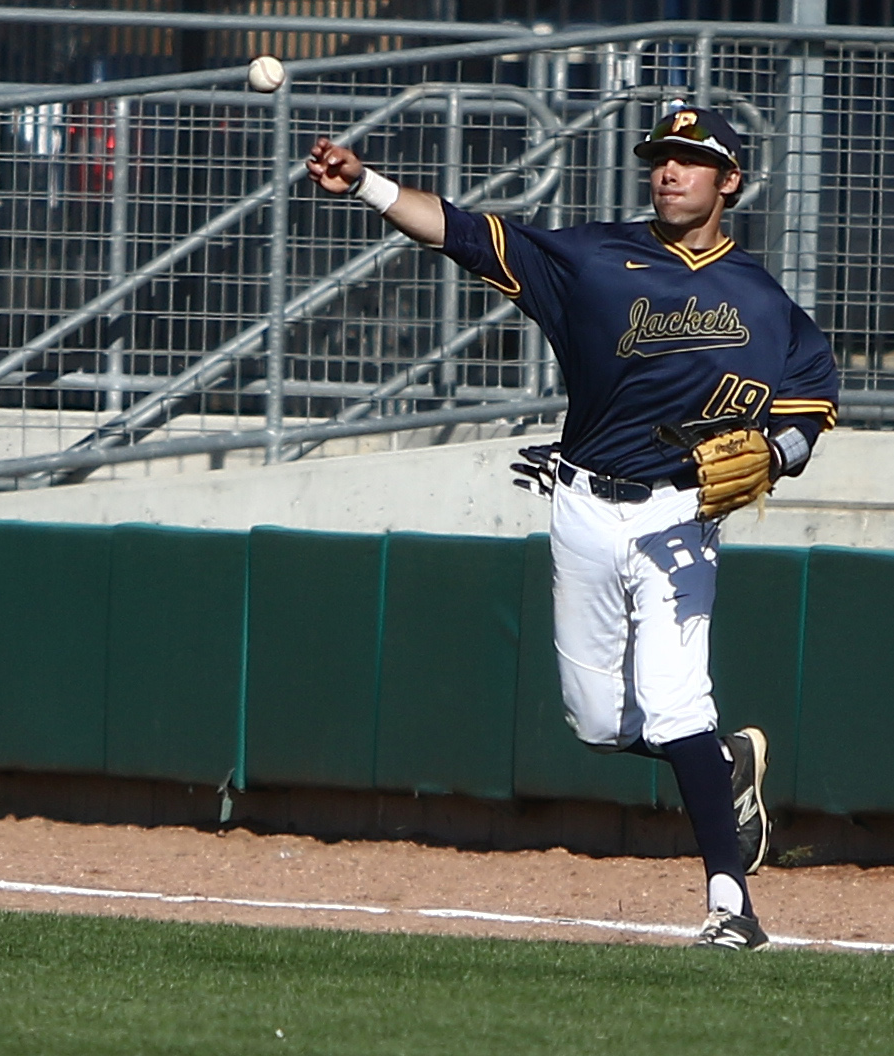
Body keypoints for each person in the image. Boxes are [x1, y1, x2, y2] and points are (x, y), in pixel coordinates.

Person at [307, 105, 839, 951]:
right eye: (661, 157)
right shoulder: (591, 260)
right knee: (598, 725)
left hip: (679, 515)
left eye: (691, 161)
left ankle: (730, 904)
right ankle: (726, 760)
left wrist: (775, 455)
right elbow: (463, 233)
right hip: (583, 504)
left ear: (728, 181)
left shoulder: (764, 303)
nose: (670, 171)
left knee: (674, 705)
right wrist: (365, 183)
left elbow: (813, 403)